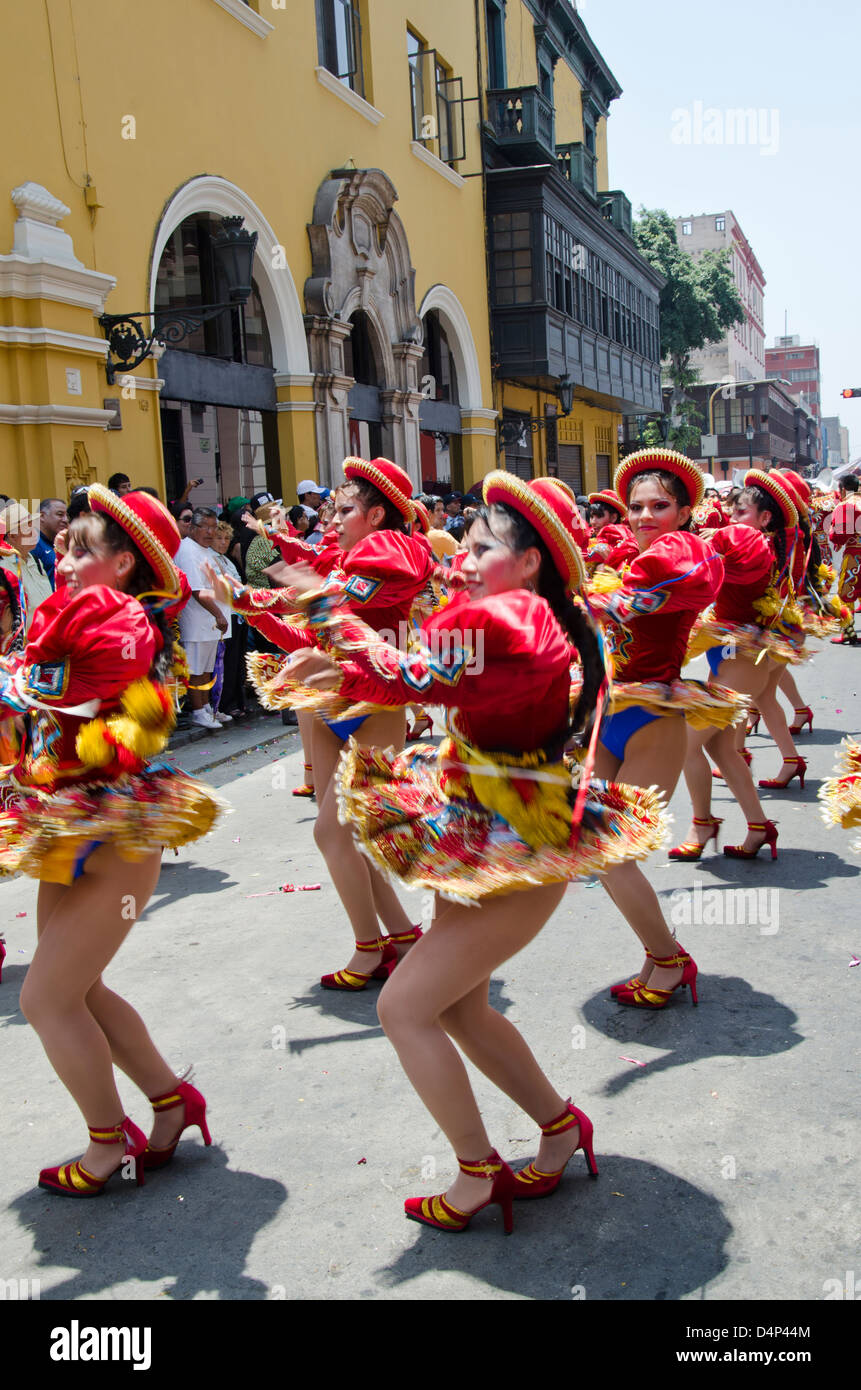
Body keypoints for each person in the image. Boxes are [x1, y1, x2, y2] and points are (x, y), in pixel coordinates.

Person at [279, 474, 666, 1232]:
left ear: (526, 565)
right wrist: (335, 648)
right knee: (458, 1008)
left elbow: (413, 674)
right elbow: (411, 671)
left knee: (403, 1007)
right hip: (474, 832)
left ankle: (476, 1170)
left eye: (482, 548)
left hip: (520, 845)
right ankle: (559, 1128)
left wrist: (324, 612)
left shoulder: (513, 624)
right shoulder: (507, 615)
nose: (459, 558)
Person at [0, 485, 220, 1195]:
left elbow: (71, 691)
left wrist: (18, 681)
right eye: (64, 546)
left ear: (124, 564)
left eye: (84, 550)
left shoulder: (117, 616)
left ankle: (106, 1143)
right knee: (78, 989)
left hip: (115, 827)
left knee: (46, 998)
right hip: (68, 820)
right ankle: (170, 1102)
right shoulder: (73, 606)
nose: (64, 560)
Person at [205, 458, 438, 989]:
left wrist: (260, 595)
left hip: (371, 707)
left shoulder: (391, 553)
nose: (332, 519)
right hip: (323, 706)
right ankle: (399, 936)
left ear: (378, 515)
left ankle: (369, 947)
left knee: (331, 832)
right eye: (332, 508)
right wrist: (245, 602)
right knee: (346, 836)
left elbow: (332, 605)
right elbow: (309, 631)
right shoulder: (343, 563)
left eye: (346, 509)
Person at [587, 447, 745, 1008]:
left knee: (613, 854)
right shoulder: (629, 560)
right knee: (592, 844)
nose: (644, 515)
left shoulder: (683, 559)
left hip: (652, 719)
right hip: (609, 715)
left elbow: (627, 607)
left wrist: (583, 599)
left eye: (660, 505)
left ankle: (670, 960)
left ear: (682, 512)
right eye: (636, 506)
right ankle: (661, 954)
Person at [175, 508, 229, 729]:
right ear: (193, 528)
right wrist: (218, 614)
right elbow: (196, 590)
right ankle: (197, 710)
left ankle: (206, 706)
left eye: (213, 527)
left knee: (207, 668)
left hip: (210, 623)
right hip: (196, 621)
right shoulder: (187, 550)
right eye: (205, 527)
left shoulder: (205, 550)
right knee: (196, 669)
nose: (209, 532)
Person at [0, 502, 53, 640]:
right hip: (22, 651)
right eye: (27, 526)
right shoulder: (4, 569)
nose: (33, 531)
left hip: (48, 646)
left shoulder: (36, 562)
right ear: (12, 535)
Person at [828, 474, 861, 645]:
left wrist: (833, 534)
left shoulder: (846, 505)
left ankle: (848, 633)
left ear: (842, 489)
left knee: (845, 594)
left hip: (855, 555)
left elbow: (839, 535)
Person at [34, 499, 68, 588]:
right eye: (60, 515)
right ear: (41, 516)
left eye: (67, 515)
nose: (66, 520)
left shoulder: (60, 543)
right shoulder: (33, 544)